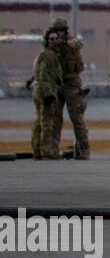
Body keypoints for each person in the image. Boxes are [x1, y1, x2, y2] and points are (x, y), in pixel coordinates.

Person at [51, 19, 91, 160]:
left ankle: (83, 150)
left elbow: (77, 44)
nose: (58, 34)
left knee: (77, 119)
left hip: (72, 83)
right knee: (55, 119)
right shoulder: (52, 44)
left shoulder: (71, 42)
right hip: (57, 84)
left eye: (60, 31)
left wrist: (62, 43)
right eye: (56, 31)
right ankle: (52, 149)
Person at [29, 24, 65, 160]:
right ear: (46, 41)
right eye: (51, 39)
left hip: (39, 90)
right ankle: (46, 151)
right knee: (47, 123)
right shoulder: (49, 56)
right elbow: (43, 74)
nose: (54, 42)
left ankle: (37, 150)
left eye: (56, 39)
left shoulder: (44, 55)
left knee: (40, 121)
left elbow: (38, 73)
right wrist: (48, 93)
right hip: (45, 91)